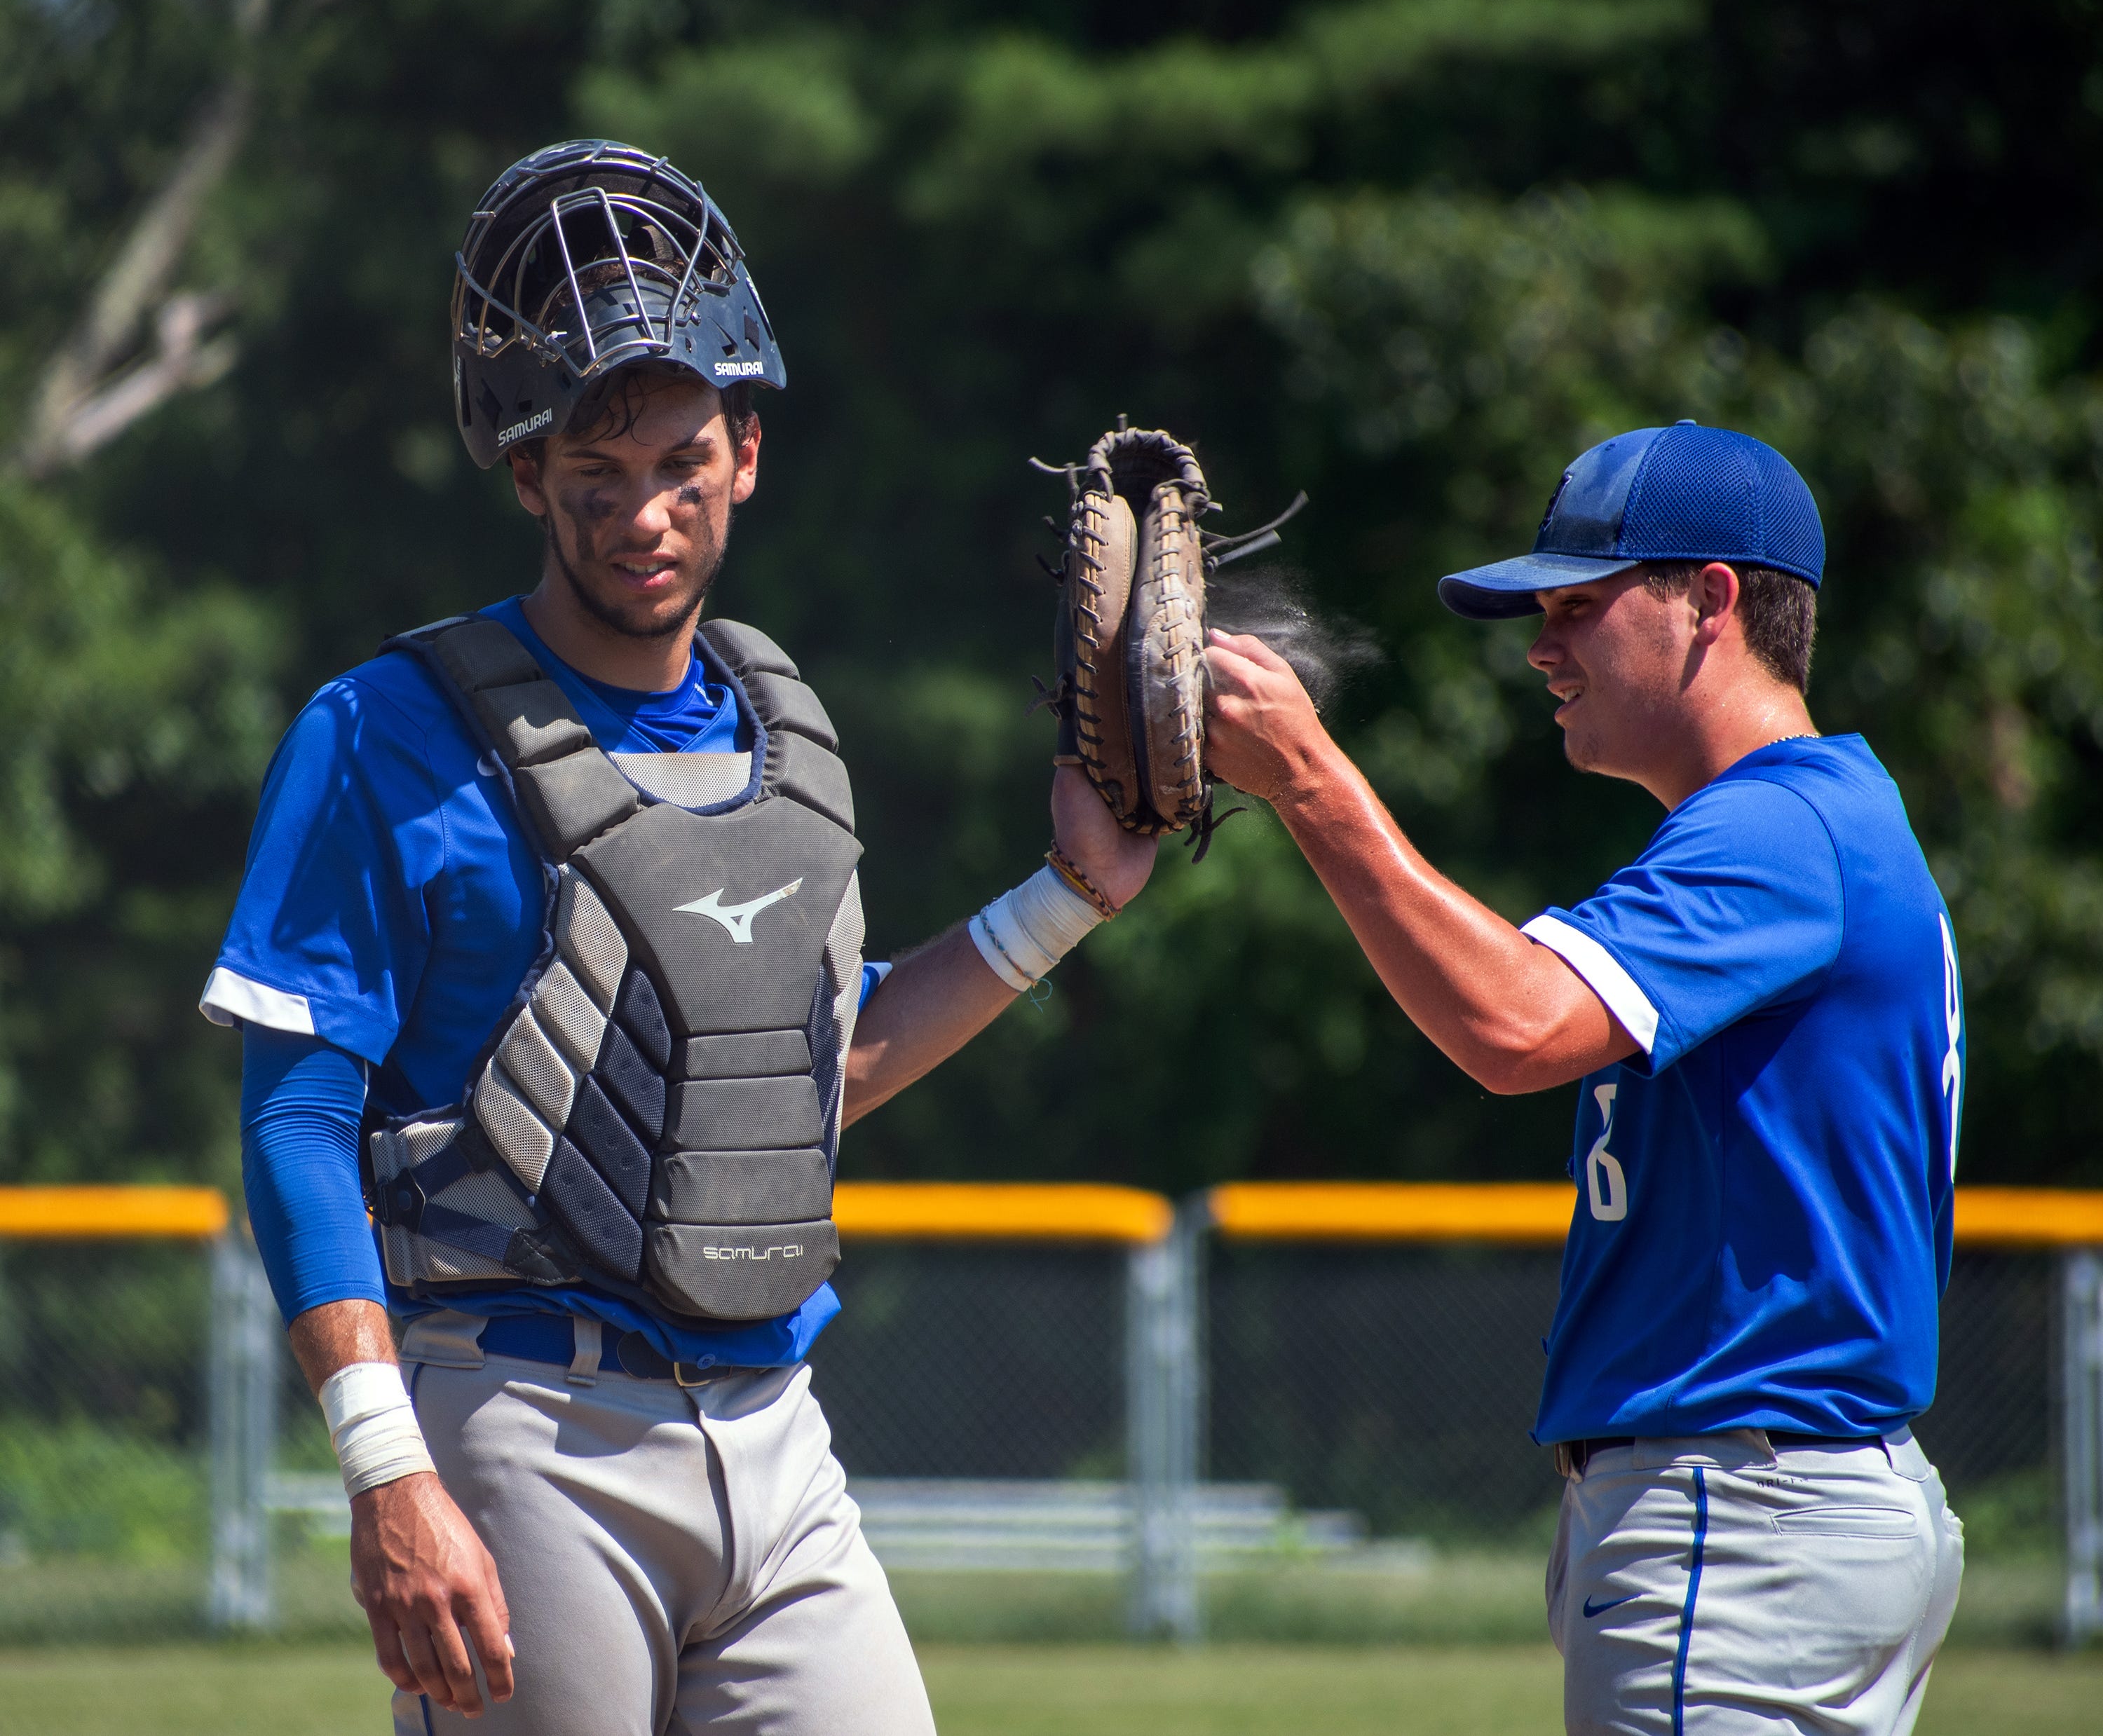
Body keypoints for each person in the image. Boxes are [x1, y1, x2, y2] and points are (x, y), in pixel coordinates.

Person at [199, 139, 1155, 1734]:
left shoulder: (787, 723)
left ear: (749, 452)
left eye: (681, 462)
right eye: (595, 474)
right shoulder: (385, 729)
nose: (645, 511)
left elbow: (806, 1069)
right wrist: (387, 1469)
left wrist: (1067, 898)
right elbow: (296, 1118)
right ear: (523, 472)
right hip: (522, 1429)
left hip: (778, 1432)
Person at [1202, 420, 1966, 1735]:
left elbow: (1510, 1023)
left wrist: (1311, 781)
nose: (1542, 649)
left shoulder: (1779, 826)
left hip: (1739, 1516)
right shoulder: (1826, 817)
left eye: (1579, 606)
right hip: (1794, 1499)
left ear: (1711, 601)